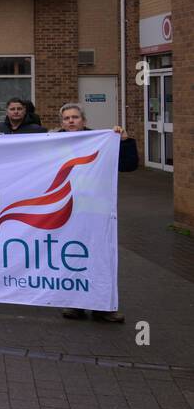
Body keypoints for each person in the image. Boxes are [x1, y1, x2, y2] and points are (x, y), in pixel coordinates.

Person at [56, 103, 138, 322]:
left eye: (75, 117)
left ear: (84, 120)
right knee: (71, 256)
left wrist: (125, 142)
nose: (71, 121)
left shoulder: (100, 141)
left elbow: (128, 165)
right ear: (61, 123)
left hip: (97, 211)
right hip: (67, 211)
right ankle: (75, 304)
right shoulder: (53, 143)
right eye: (66, 118)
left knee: (100, 258)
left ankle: (103, 306)